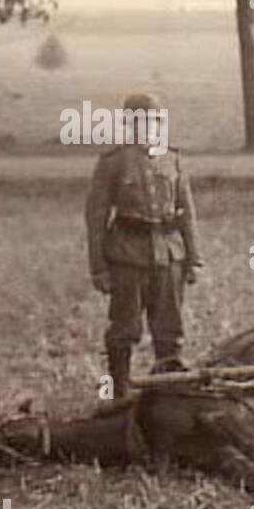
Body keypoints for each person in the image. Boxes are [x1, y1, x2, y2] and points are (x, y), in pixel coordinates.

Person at [85, 93, 202, 399]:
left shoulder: (173, 158)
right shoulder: (113, 162)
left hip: (169, 255)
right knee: (124, 329)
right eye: (139, 121)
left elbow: (186, 211)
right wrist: (98, 267)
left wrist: (194, 259)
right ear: (128, 124)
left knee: (170, 328)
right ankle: (119, 393)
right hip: (127, 256)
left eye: (154, 121)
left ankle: (169, 392)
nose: (147, 127)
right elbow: (96, 216)